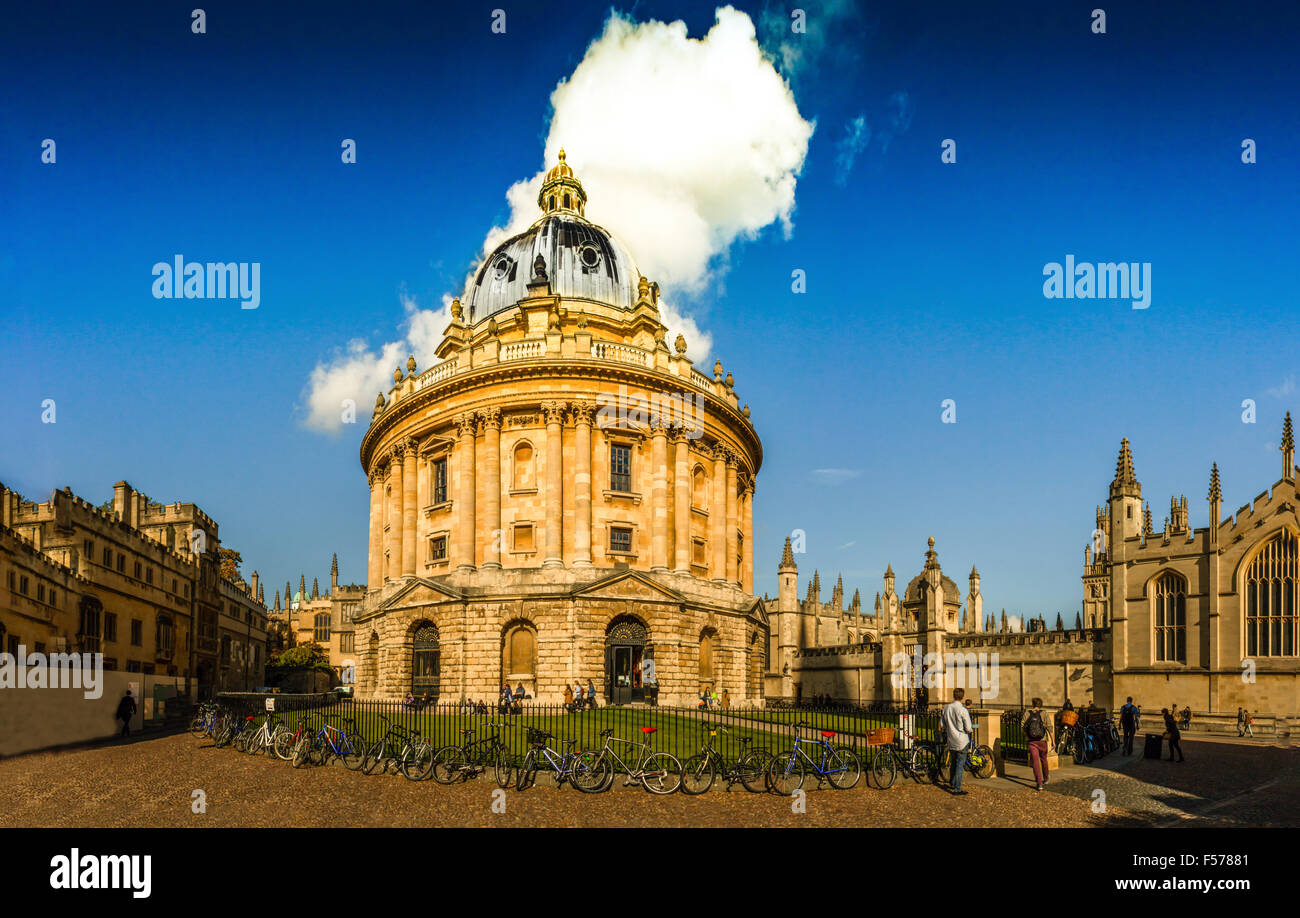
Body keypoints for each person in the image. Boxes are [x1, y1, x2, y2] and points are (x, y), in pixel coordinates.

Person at [941, 688, 974, 795]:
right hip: (962, 740)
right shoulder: (963, 710)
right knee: (960, 764)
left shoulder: (946, 708)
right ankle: (957, 788)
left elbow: (942, 725)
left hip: (951, 740)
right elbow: (968, 728)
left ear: (953, 696)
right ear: (963, 697)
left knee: (953, 762)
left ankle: (952, 782)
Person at [1021, 697, 1051, 791]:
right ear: (1040, 704)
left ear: (1033, 704)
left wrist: (1027, 735)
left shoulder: (1027, 713)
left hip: (1031, 741)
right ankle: (1046, 778)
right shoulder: (1044, 713)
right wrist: (1053, 741)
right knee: (1044, 759)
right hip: (1042, 740)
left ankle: (1039, 783)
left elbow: (1022, 726)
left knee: (1035, 762)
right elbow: (1049, 727)